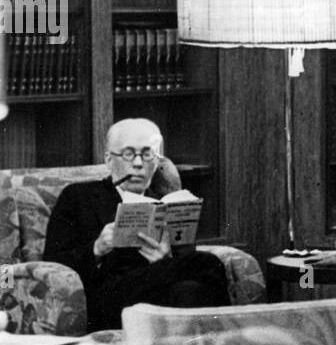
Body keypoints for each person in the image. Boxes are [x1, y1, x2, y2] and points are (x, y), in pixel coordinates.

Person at [43, 118, 230, 330]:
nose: (139, 163)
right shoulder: (78, 196)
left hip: (157, 291)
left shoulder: (164, 202)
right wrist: (96, 249)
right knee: (208, 264)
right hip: (108, 297)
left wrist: (165, 259)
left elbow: (181, 262)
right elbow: (53, 262)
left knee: (191, 291)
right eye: (128, 154)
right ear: (109, 160)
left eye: (147, 154)